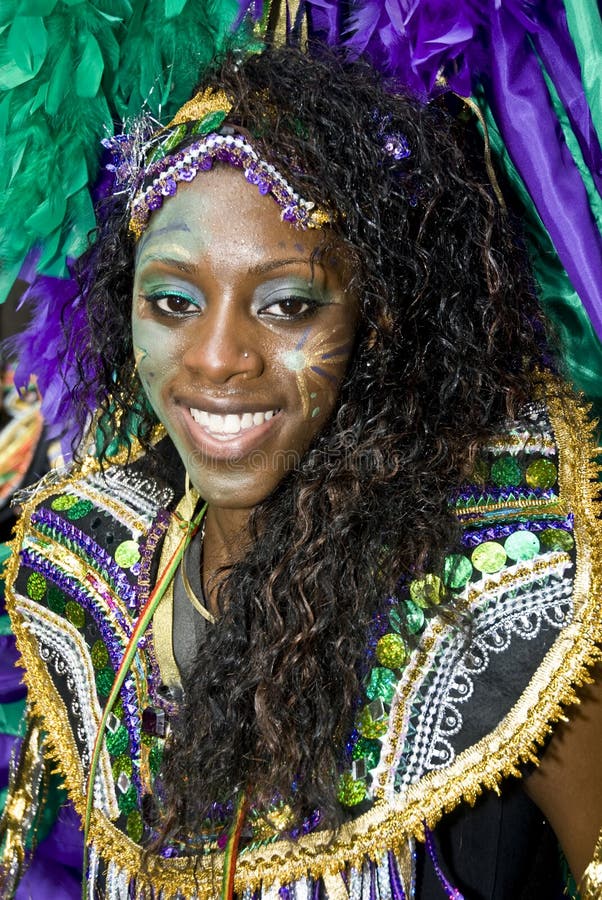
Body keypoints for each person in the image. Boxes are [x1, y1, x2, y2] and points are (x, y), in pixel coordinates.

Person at [1, 46, 601, 899]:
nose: (217, 358)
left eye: (287, 304)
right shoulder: (86, 567)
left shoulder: (506, 601)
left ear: (376, 318)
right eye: (172, 301)